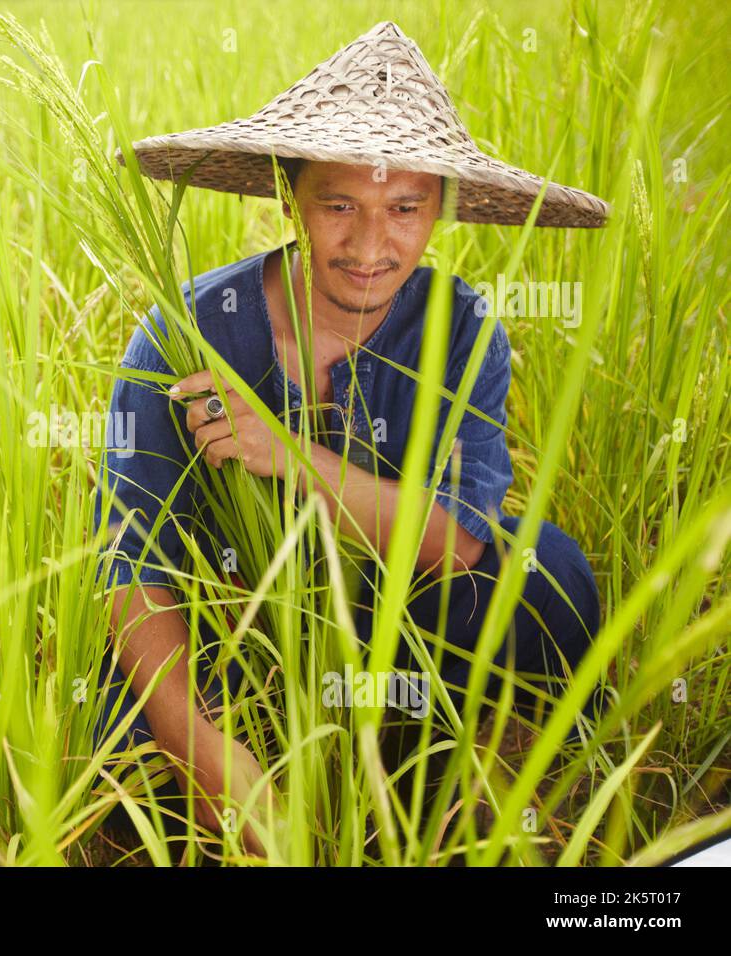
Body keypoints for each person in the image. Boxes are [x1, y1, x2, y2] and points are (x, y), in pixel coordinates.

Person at [90, 22, 608, 855]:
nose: (371, 247)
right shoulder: (184, 333)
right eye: (340, 206)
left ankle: (445, 761)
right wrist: (205, 746)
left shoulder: (464, 330)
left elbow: (454, 539)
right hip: (239, 633)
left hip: (394, 618)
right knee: (130, 772)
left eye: (404, 209)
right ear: (289, 198)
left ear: (439, 207)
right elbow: (133, 560)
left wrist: (287, 455)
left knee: (549, 576)